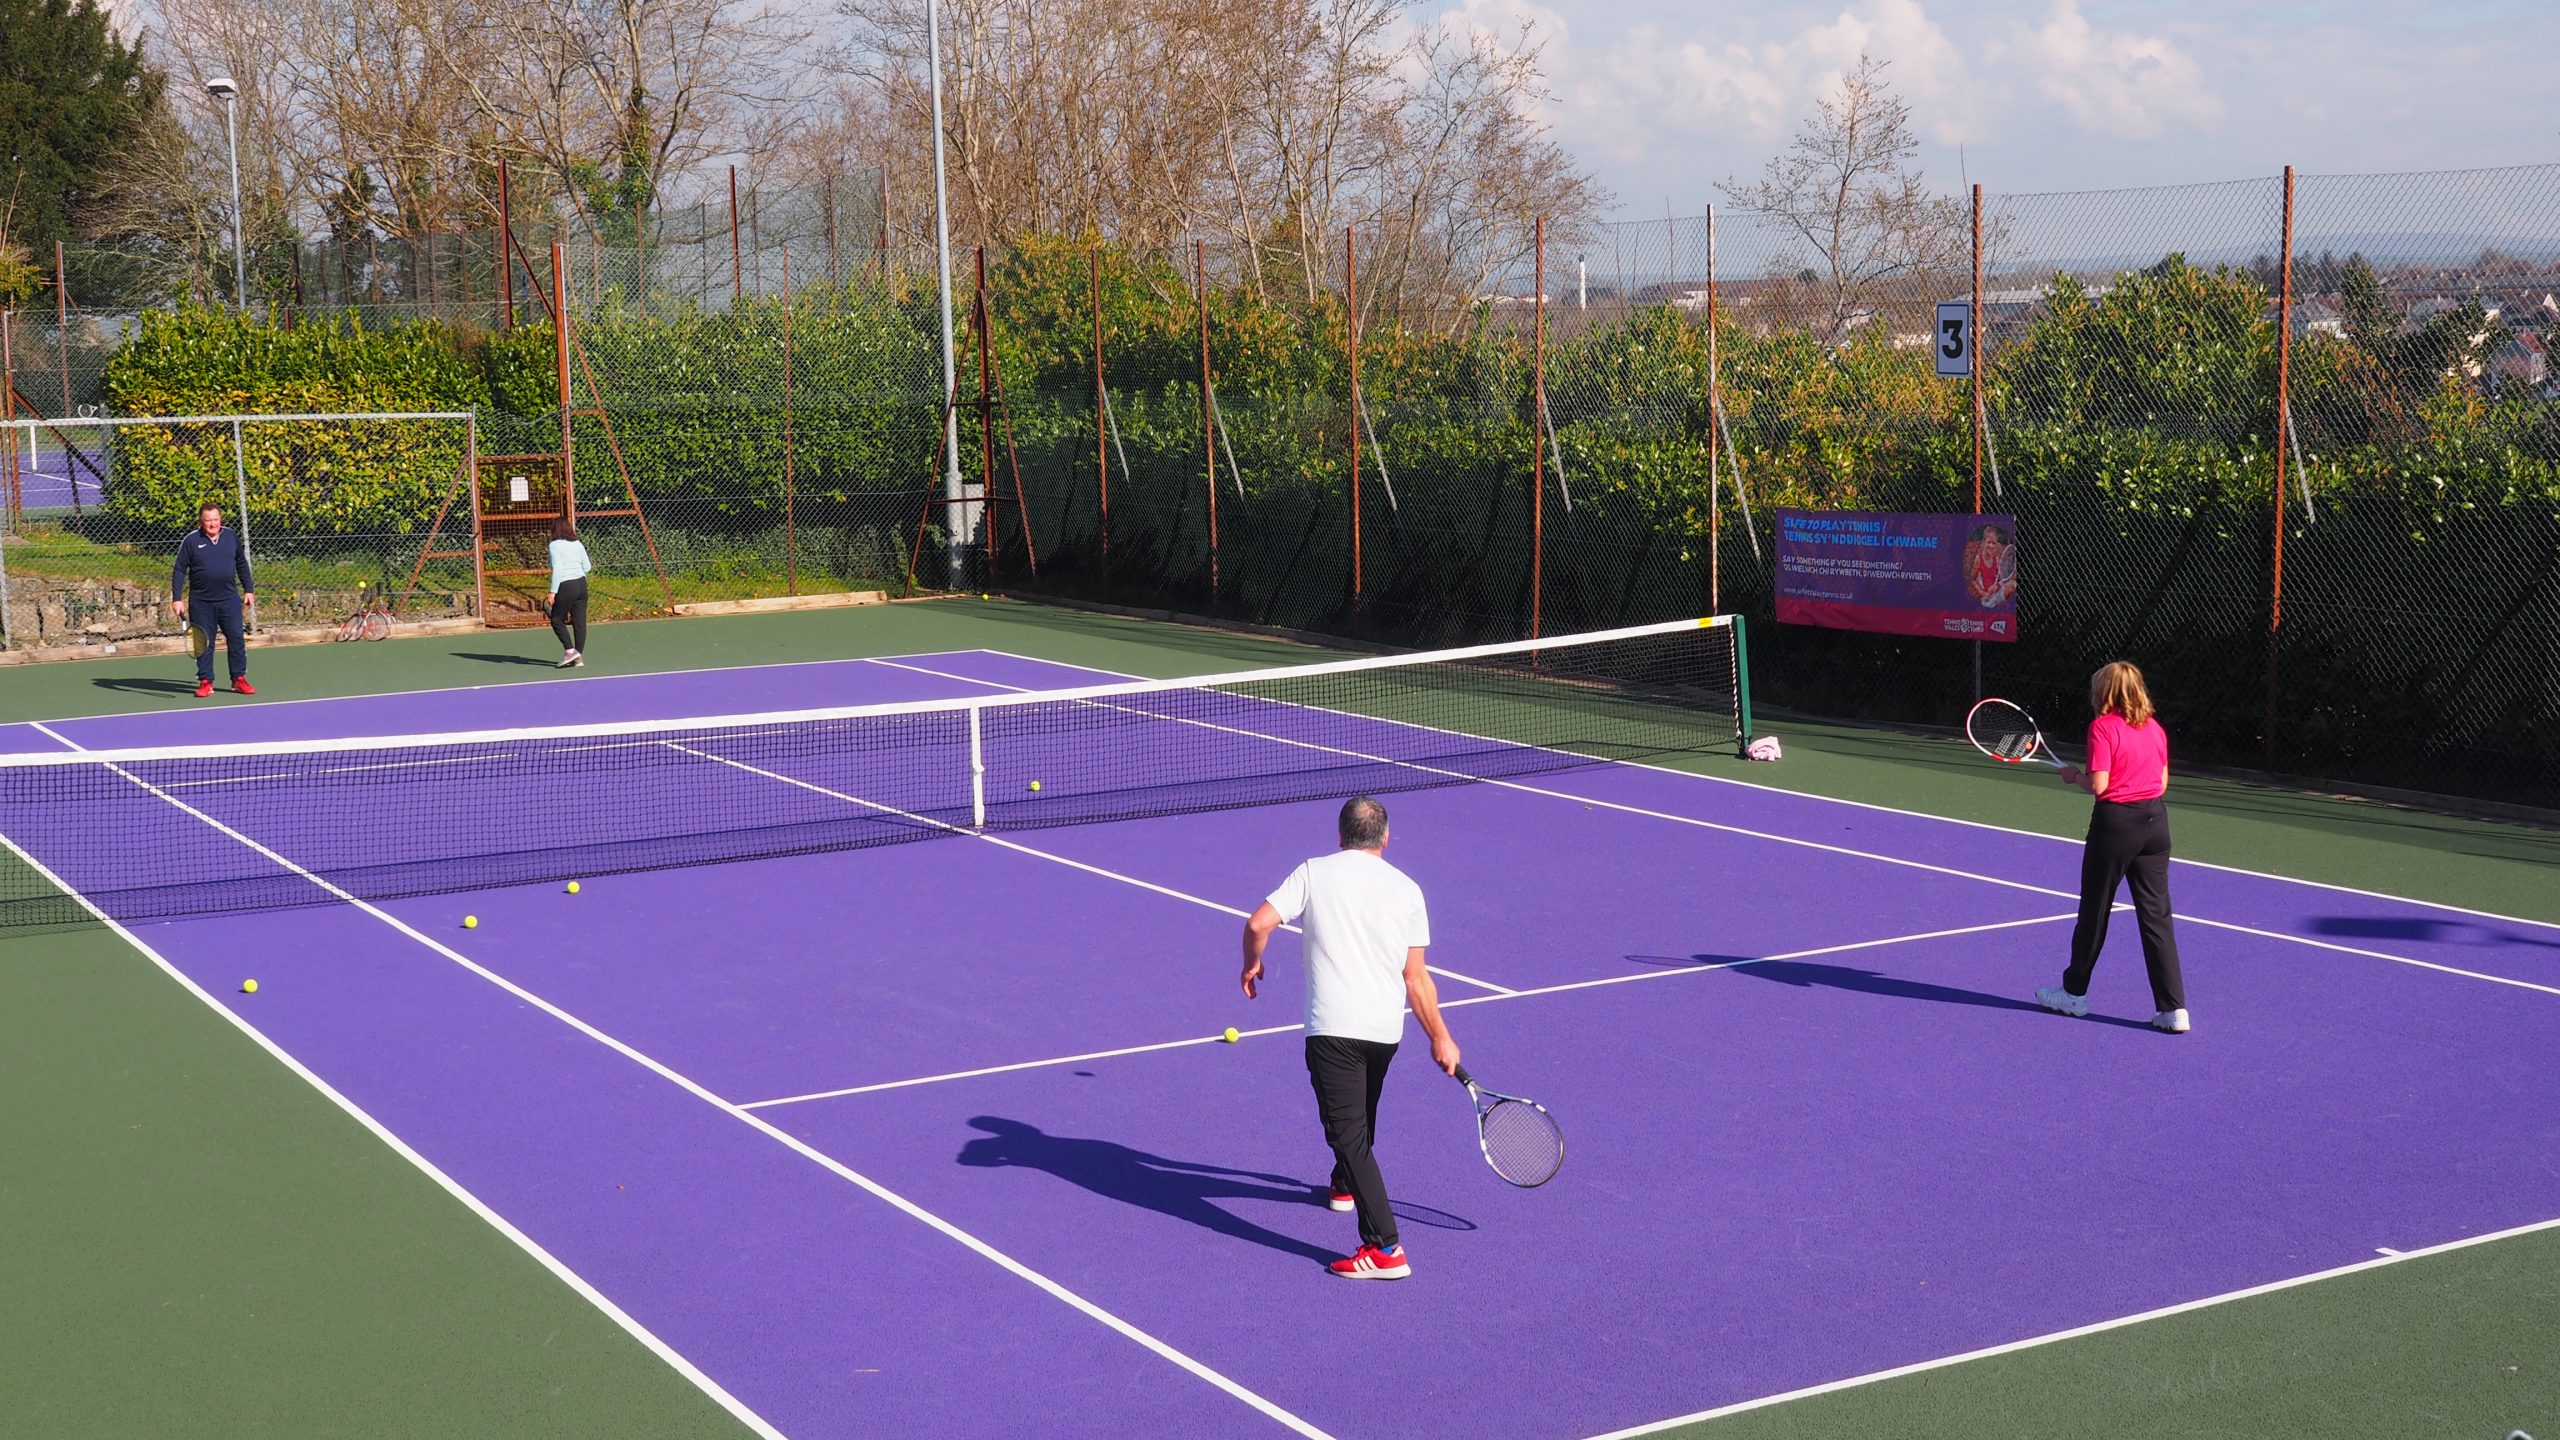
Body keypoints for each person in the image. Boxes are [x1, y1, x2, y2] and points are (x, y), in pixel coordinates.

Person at [1240, 796, 1460, 1280]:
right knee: (1359, 1121)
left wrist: (1252, 962)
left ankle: (1385, 1249)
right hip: (1384, 1032)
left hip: (1334, 1029)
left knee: (1348, 1134)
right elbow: (1417, 978)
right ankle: (1343, 1185)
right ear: (1384, 838)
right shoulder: (1408, 889)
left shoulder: (1315, 872)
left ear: (1340, 838)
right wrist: (1440, 1037)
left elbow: (1258, 923)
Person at [2036, 661, 2189, 1034]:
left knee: (2094, 911)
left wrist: (2075, 777)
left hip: (2115, 826)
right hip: (2155, 824)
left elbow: (2100, 785)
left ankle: (2073, 994)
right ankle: (2173, 1010)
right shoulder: (2154, 728)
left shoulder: (2102, 728)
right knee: (2157, 918)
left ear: (2104, 693)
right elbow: (2162, 781)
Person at [170, 501, 255, 698]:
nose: (212, 524)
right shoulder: (191, 541)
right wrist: (177, 598)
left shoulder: (231, 536)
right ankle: (206, 681)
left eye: (216, 520)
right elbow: (179, 569)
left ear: (220, 520)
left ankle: (238, 679)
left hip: (229, 600)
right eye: (208, 521)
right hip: (201, 603)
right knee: (203, 643)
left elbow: (241, 563)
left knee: (236, 639)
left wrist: (248, 589)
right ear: (201, 522)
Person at [546, 516, 593, 668]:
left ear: (555, 530)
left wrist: (553, 592)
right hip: (581, 584)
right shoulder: (577, 543)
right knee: (579, 621)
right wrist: (578, 576)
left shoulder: (554, 545)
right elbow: (587, 567)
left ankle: (570, 651)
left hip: (566, 585)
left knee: (557, 620)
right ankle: (578, 657)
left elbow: (558, 568)